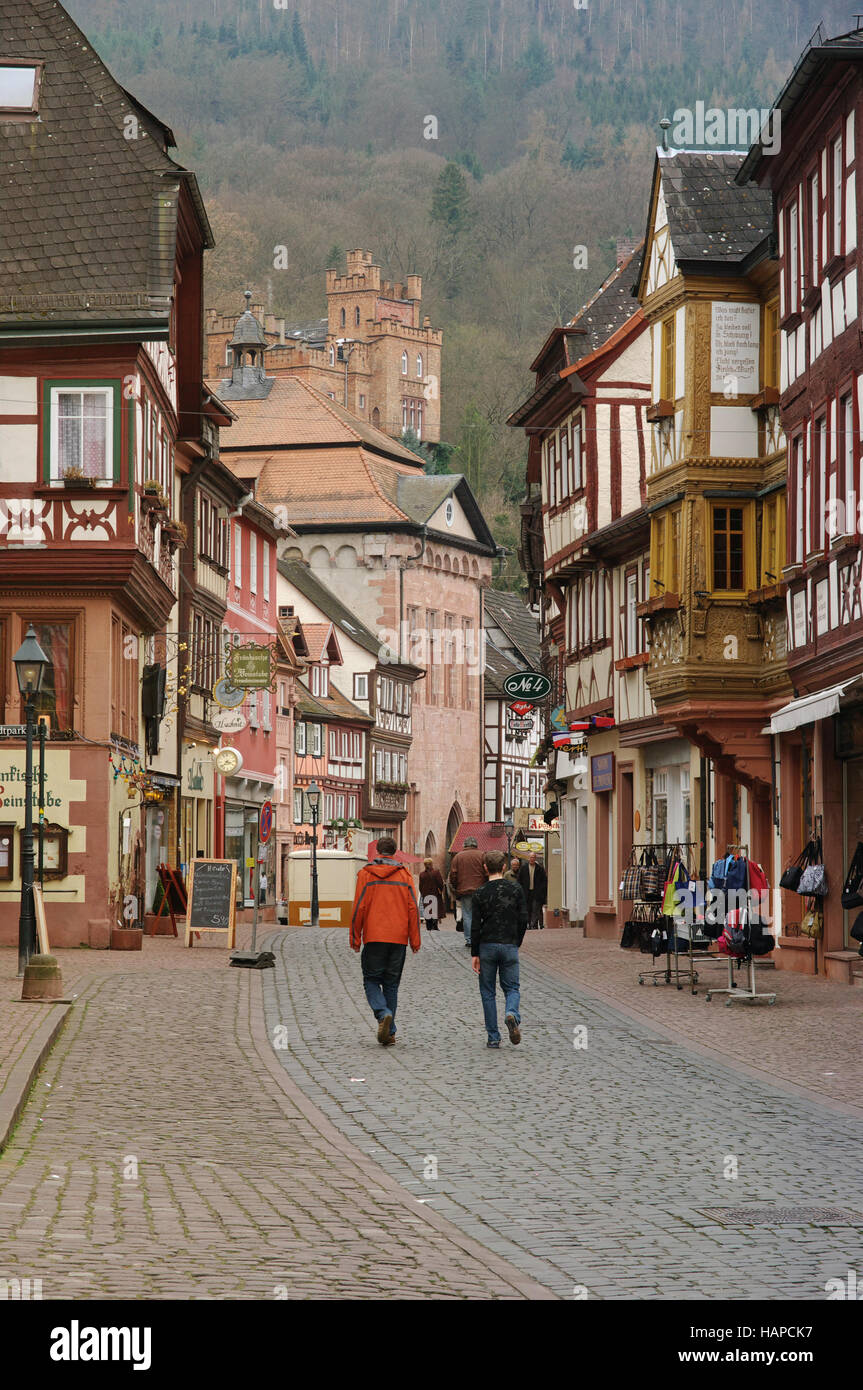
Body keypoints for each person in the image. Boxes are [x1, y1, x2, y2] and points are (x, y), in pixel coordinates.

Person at [350, 835, 420, 1046]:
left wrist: (355, 937)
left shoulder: (365, 875)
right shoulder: (405, 875)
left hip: (374, 936)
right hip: (398, 939)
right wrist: (415, 940)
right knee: (391, 984)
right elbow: (413, 909)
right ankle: (389, 1032)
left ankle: (382, 1015)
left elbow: (358, 907)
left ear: (377, 852)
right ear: (395, 852)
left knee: (371, 979)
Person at [471, 850, 528, 1048]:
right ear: (504, 867)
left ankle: (493, 1037)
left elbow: (475, 926)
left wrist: (475, 953)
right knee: (512, 987)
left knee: (488, 992)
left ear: (485, 868)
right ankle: (511, 1013)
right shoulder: (516, 889)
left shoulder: (480, 893)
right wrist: (517, 941)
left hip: (487, 945)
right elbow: (523, 919)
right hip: (509, 944)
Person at [448, 836, 486, 949]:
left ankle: (469, 939)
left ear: (465, 845)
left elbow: (453, 875)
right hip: (480, 890)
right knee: (480, 915)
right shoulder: (482, 855)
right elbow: (487, 871)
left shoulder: (458, 857)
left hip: (464, 891)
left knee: (467, 915)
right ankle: (479, 937)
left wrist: (456, 887)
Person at [518, 851, 548, 929]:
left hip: (536, 893)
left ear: (535, 858)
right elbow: (519, 880)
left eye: (533, 857)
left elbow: (544, 881)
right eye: (531, 857)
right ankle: (528, 924)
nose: (532, 859)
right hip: (526, 892)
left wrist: (541, 892)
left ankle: (533, 924)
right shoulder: (523, 868)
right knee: (528, 909)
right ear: (528, 858)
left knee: (535, 909)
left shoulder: (540, 869)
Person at [418, 858, 446, 930]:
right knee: (434, 910)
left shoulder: (422, 874)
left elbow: (420, 886)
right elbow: (441, 883)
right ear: (431, 864)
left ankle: (429, 926)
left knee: (428, 910)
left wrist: (423, 893)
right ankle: (434, 925)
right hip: (435, 894)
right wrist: (440, 890)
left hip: (426, 895)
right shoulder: (436, 873)